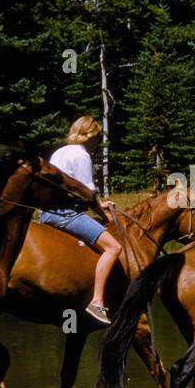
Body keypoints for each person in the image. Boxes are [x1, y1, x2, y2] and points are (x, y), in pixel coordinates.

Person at [40, 116, 120, 324]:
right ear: (89, 136)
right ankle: (97, 301)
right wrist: (105, 215)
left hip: (46, 212)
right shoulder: (82, 155)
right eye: (97, 137)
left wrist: (97, 204)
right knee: (113, 247)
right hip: (65, 214)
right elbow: (87, 194)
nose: (98, 142)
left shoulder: (60, 151)